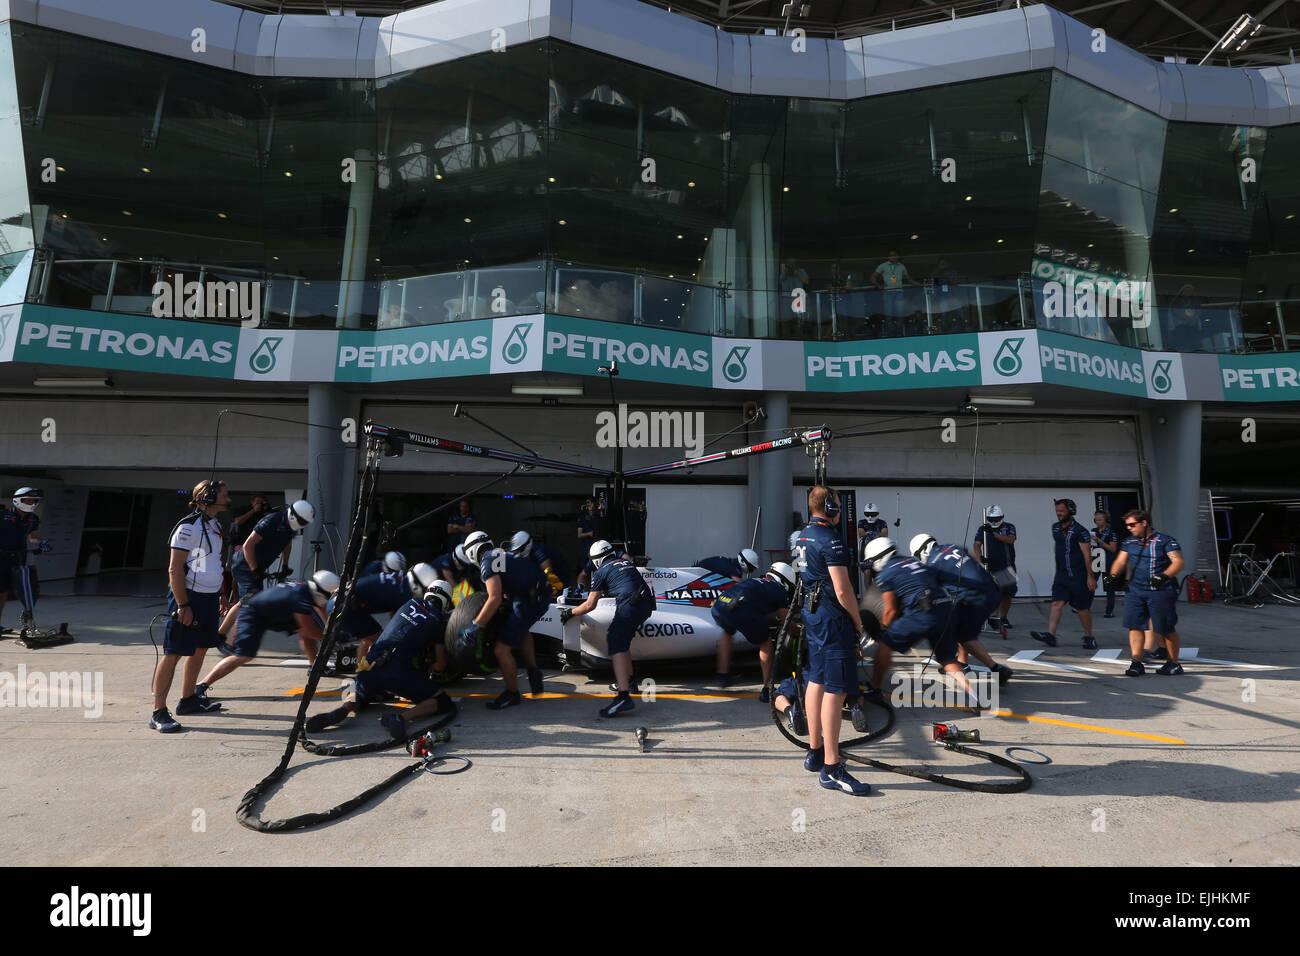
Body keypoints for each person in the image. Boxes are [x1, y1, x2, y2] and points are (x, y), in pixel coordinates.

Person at [790, 486, 871, 796]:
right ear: (831, 509)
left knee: (817, 680)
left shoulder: (800, 537)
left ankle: (815, 751)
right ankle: (832, 768)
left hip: (811, 615)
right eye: (836, 505)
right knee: (836, 691)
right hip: (831, 618)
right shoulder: (831, 539)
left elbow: (801, 575)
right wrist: (858, 622)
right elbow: (843, 589)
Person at [305, 572, 457, 738]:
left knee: (361, 691)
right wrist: (433, 668)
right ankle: (401, 718)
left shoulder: (408, 603)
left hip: (370, 664)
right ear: (446, 602)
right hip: (397, 673)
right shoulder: (438, 621)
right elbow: (440, 665)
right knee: (442, 701)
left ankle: (344, 709)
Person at [148, 480, 231, 733]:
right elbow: (175, 568)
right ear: (207, 498)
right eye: (224, 494)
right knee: (173, 653)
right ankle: (158, 712)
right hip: (188, 599)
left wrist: (220, 594)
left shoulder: (215, 525)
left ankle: (188, 700)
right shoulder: (188, 527)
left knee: (200, 649)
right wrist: (183, 604)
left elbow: (212, 562)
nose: (228, 498)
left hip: (208, 598)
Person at [864, 536, 978, 703]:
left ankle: (874, 687)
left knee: (885, 645)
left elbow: (890, 610)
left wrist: (883, 631)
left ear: (879, 558)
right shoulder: (914, 562)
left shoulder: (886, 574)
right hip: (946, 609)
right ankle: (973, 695)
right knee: (947, 658)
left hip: (921, 613)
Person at [198, 571, 338, 696]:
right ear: (320, 591)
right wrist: (334, 638)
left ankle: (315, 667)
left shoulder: (306, 589)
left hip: (274, 613)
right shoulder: (300, 597)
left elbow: (321, 607)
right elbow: (309, 629)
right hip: (253, 614)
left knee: (307, 631)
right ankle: (202, 685)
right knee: (243, 655)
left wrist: (331, 629)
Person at [562, 540, 657, 717]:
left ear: (596, 560)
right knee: (623, 641)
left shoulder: (601, 571)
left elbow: (590, 605)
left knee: (614, 641)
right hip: (645, 603)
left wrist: (570, 612)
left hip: (631, 603)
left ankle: (623, 697)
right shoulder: (625, 563)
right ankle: (629, 682)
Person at [457, 531, 548, 709]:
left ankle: (512, 694)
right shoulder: (499, 553)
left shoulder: (486, 561)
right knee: (522, 630)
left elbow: (494, 598)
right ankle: (533, 670)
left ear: (471, 552)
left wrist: (476, 627)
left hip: (529, 599)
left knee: (501, 650)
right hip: (538, 593)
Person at [909, 534, 1013, 687]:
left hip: (974, 597)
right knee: (959, 625)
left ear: (923, 551)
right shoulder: (953, 546)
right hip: (993, 590)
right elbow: (974, 561)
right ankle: (962, 664)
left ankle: (997, 669)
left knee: (962, 635)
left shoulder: (931, 564)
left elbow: (931, 593)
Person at [1107, 510, 1185, 676]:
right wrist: (1112, 577)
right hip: (1135, 590)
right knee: (1134, 626)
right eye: (1127, 525)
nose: (1129, 528)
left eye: (1132, 524)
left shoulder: (1165, 541)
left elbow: (1178, 562)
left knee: (1165, 628)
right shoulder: (1129, 542)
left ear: (1144, 523)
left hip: (1161, 591)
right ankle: (1136, 663)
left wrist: (1163, 576)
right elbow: (1120, 561)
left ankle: (1174, 663)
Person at [710, 562, 795, 693]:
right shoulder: (779, 589)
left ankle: (723, 676)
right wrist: (801, 632)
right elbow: (787, 622)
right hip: (740, 608)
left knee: (728, 632)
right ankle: (768, 689)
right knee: (765, 641)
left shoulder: (758, 581)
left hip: (719, 605)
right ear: (785, 580)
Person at [1032, 499, 1098, 649]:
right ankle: (1051, 636)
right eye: (1057, 511)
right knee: (1056, 603)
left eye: (1061, 511)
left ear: (1071, 511)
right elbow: (1058, 546)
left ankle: (1089, 636)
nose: (1058, 514)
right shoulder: (1055, 528)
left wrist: (1090, 576)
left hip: (1078, 575)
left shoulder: (1080, 531)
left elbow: (1087, 554)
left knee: (1082, 608)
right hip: (1061, 575)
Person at [226, 498, 314, 605]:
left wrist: (285, 566)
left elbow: (287, 543)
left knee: (253, 601)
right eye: (302, 521)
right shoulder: (271, 521)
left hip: (258, 567)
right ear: (293, 515)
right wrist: (254, 569)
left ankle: (236, 620)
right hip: (245, 565)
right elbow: (248, 545)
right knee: (248, 602)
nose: (303, 524)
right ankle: (237, 620)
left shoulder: (290, 527)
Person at [0, 487, 46, 632]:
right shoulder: (2, 515)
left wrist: (41, 544)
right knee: (1, 592)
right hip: (1, 558)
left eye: (34, 500)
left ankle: (25, 619)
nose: (31, 503)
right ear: (18, 500)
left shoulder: (33, 518)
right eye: (28, 500)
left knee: (18, 590)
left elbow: (33, 537)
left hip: (19, 558)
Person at [972, 504, 1017, 633]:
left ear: (1001, 517)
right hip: (989, 566)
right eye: (991, 519)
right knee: (989, 593)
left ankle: (1003, 617)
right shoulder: (982, 529)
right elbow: (977, 545)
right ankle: (988, 618)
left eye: (996, 519)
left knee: (1008, 592)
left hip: (1006, 565)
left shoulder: (1009, 527)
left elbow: (1010, 540)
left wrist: (994, 533)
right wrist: (980, 558)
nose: (993, 522)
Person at [510, 530, 570, 594]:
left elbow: (548, 571)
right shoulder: (527, 554)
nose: (518, 552)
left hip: (559, 578)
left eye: (520, 549)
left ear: (527, 544)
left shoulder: (538, 551)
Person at [1091, 511, 1120, 618]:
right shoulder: (1093, 531)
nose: (1098, 522)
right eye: (1096, 520)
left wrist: (1099, 540)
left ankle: (1109, 611)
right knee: (1090, 584)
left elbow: (1113, 549)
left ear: (1106, 520)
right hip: (1096, 560)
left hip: (1108, 561)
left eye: (1100, 520)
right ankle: (1084, 606)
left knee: (1109, 587)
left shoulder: (1111, 533)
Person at [694, 549, 760, 582]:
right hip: (695, 579)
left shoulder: (730, 564)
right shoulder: (733, 569)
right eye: (751, 567)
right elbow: (742, 586)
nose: (751, 570)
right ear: (743, 562)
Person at [576, 499, 597, 570]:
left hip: (595, 545)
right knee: (585, 568)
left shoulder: (598, 517)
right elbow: (579, 535)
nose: (590, 505)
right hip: (585, 546)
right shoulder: (582, 517)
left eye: (591, 503)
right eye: (588, 503)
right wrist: (589, 533)